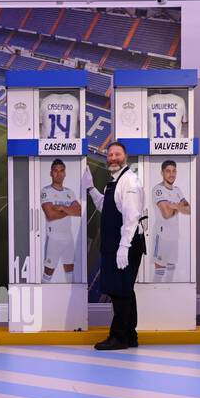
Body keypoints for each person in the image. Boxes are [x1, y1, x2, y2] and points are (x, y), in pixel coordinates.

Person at [83, 141, 146, 350]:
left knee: (120, 290)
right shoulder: (113, 182)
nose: (113, 158)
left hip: (125, 244)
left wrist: (124, 247)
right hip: (115, 244)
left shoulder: (129, 182)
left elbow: (131, 217)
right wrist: (91, 188)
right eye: (110, 155)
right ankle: (130, 335)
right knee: (125, 289)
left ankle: (118, 337)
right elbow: (106, 208)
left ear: (125, 157)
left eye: (117, 154)